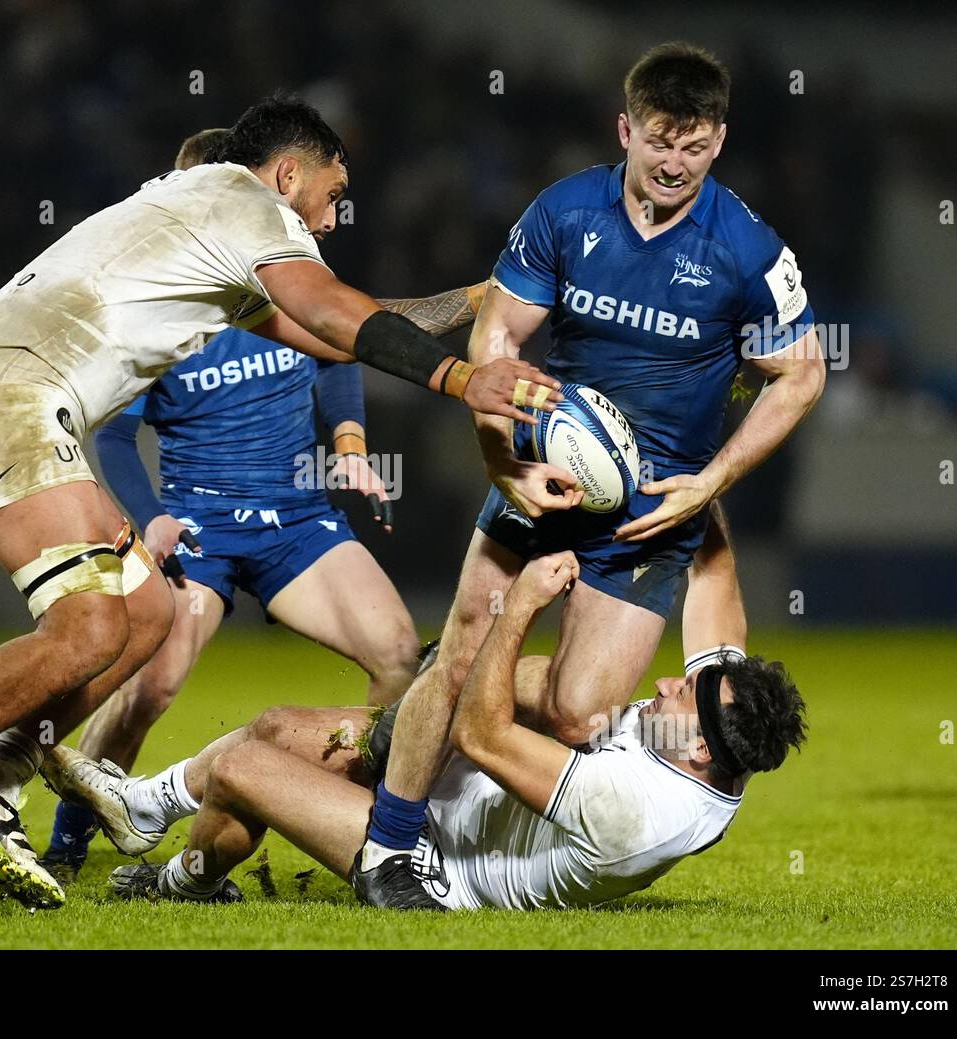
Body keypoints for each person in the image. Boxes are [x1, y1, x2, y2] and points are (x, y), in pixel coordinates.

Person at [0, 95, 560, 918]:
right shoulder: (244, 205)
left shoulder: (209, 220)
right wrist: (461, 378)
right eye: (331, 192)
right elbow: (331, 308)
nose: (334, 215)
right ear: (288, 174)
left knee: (146, 615)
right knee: (92, 627)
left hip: (21, 397)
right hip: (2, 396)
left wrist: (486, 293)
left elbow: (342, 328)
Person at [349, 42, 826, 907]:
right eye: (657, 142)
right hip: (544, 474)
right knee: (463, 649)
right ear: (626, 129)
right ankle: (389, 851)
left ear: (718, 141)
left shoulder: (749, 251)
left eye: (693, 146)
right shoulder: (565, 212)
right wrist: (505, 462)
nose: (674, 164)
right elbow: (494, 341)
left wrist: (711, 480)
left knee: (577, 713)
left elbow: (803, 374)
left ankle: (438, 720)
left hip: (651, 514)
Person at [39, 129, 488, 883]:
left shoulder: (287, 276)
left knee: (398, 656)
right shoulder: (163, 306)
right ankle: (68, 841)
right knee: (150, 685)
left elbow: (341, 349)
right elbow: (113, 437)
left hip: (296, 521)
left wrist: (349, 442)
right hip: (201, 525)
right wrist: (150, 513)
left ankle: (346, 816)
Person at [41, 504, 807, 910]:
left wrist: (520, 605)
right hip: (465, 795)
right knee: (275, 727)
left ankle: (177, 875)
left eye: (684, 696)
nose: (670, 682)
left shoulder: (636, 810)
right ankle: (154, 821)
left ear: (703, 751)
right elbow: (715, 573)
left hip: (443, 868)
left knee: (246, 763)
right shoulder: (723, 722)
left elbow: (480, 731)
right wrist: (692, 461)